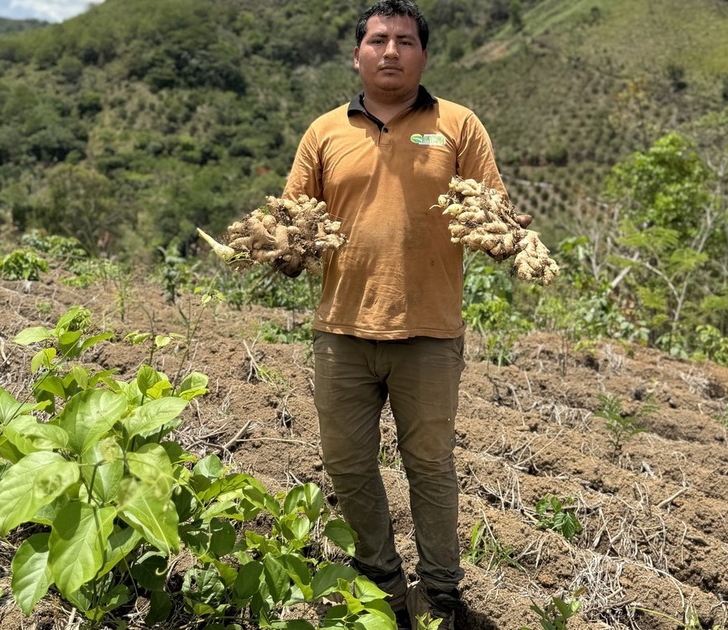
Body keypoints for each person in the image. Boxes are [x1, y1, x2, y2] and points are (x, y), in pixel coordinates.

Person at [278, 1, 528, 628]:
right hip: (342, 330)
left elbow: (492, 209)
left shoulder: (458, 126)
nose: (391, 52)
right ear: (356, 53)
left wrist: (508, 236)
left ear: (424, 54)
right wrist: (283, 249)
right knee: (348, 463)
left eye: (405, 41)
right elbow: (292, 220)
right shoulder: (325, 132)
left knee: (430, 466)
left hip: (430, 332)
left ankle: (440, 593)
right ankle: (382, 580)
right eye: (378, 40)